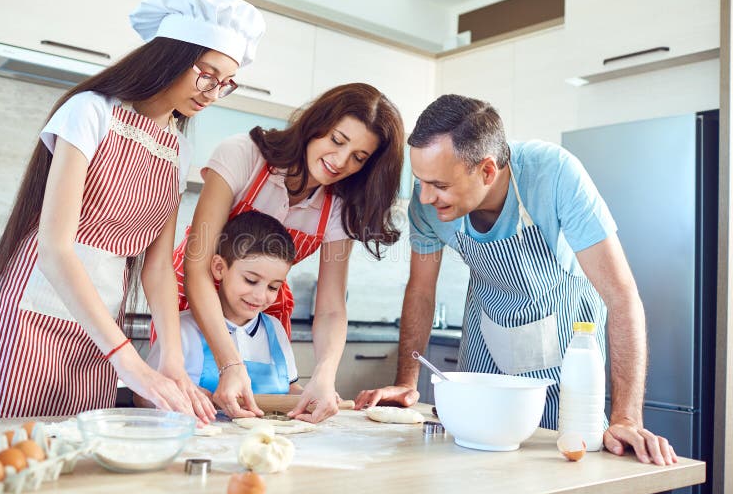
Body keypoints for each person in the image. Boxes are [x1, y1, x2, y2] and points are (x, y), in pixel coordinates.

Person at [0, 0, 265, 420]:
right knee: (11, 465)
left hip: (99, 334)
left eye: (225, 83)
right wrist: (128, 361)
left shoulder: (177, 149)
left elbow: (155, 267)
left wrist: (168, 358)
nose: (212, 92)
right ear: (171, 56)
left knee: (79, 470)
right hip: (30, 321)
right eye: (207, 74)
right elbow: (55, 248)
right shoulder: (90, 112)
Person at [355, 95, 678, 466]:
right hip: (483, 349)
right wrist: (407, 382)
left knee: (565, 464)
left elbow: (621, 298)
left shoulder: (554, 176)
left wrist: (627, 418)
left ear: (487, 172)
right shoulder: (426, 202)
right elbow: (421, 291)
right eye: (420, 181)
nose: (425, 197)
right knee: (471, 464)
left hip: (565, 357)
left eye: (439, 185)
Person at [168, 83, 405, 423]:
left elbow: (331, 308)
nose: (341, 161)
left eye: (359, 158)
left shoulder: (339, 205)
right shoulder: (243, 155)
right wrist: (230, 362)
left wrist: (324, 375)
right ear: (316, 124)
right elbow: (198, 265)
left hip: (259, 312)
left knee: (262, 420)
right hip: (193, 293)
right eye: (337, 141)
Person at [139, 211, 302, 406]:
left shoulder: (275, 329)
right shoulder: (182, 329)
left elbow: (291, 389)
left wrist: (313, 396)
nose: (260, 296)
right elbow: (141, 397)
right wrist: (185, 396)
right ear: (219, 268)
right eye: (251, 280)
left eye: (273, 287)